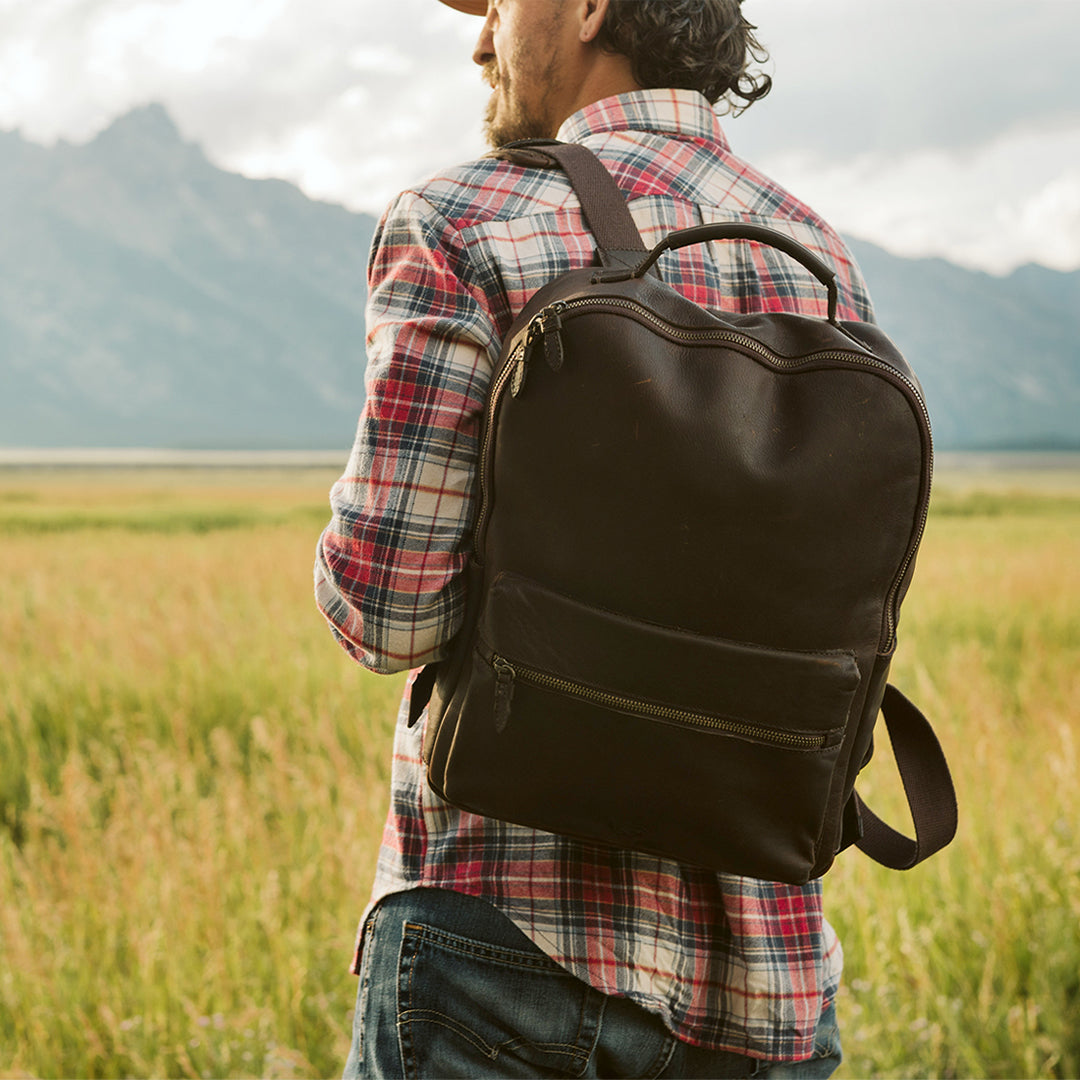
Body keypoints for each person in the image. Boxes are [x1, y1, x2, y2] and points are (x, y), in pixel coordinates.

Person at [315, 1, 875, 1076]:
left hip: (502, 946)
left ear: (584, 8)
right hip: (769, 979)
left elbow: (385, 614)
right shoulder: (820, 260)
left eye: (501, 7)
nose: (481, 41)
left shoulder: (458, 221)